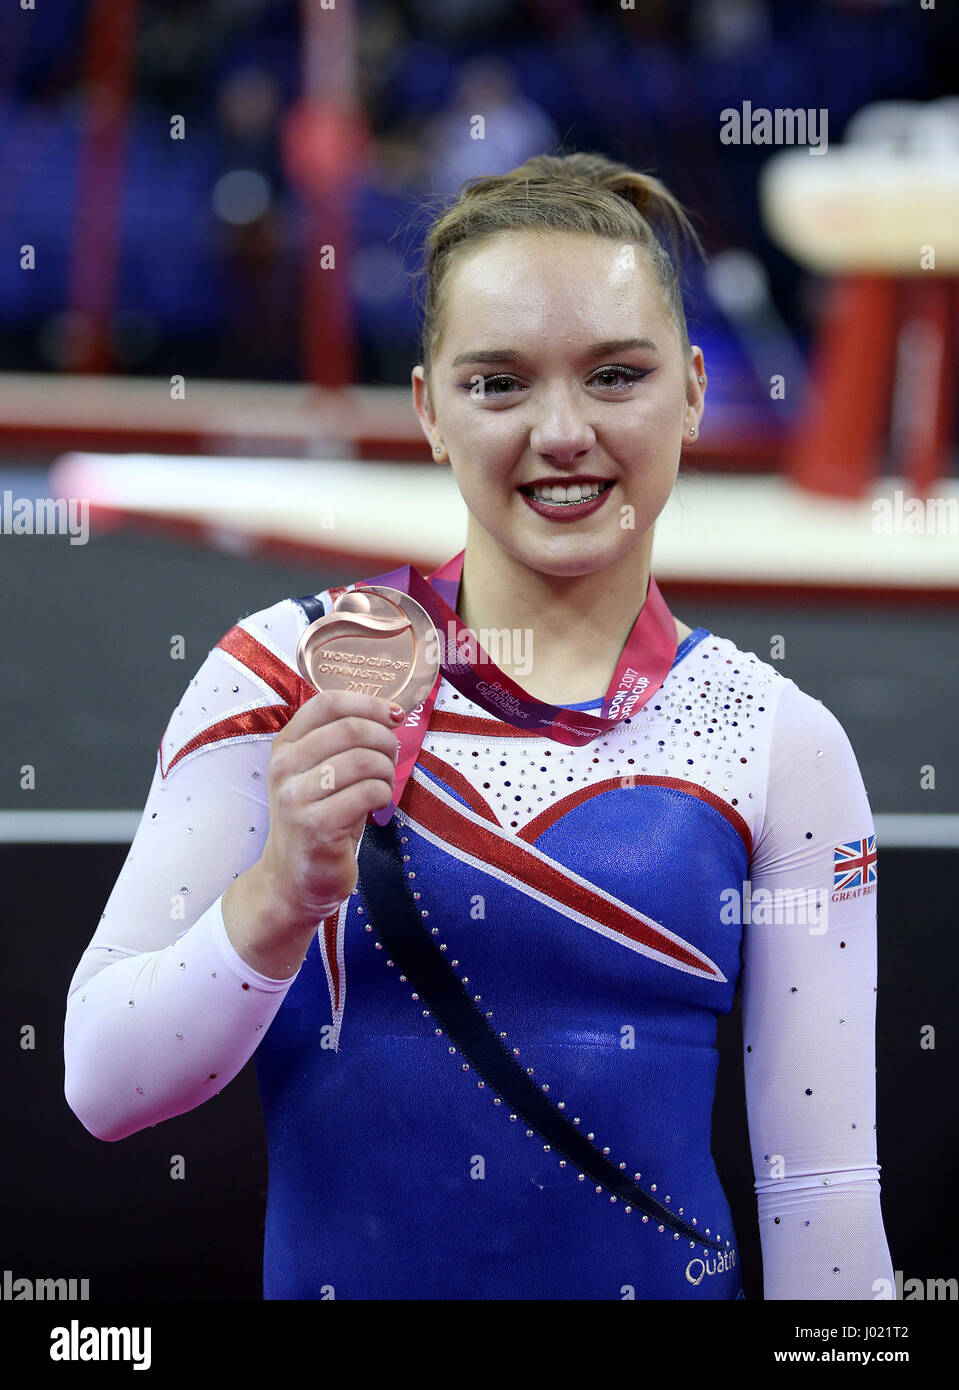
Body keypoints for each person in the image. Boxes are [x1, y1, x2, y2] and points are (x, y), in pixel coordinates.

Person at [63, 151, 894, 1300]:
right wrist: (272, 897)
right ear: (429, 410)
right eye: (498, 384)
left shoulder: (775, 742)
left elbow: (824, 1199)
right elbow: (105, 1085)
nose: (561, 433)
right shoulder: (285, 676)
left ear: (695, 391)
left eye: (614, 376)